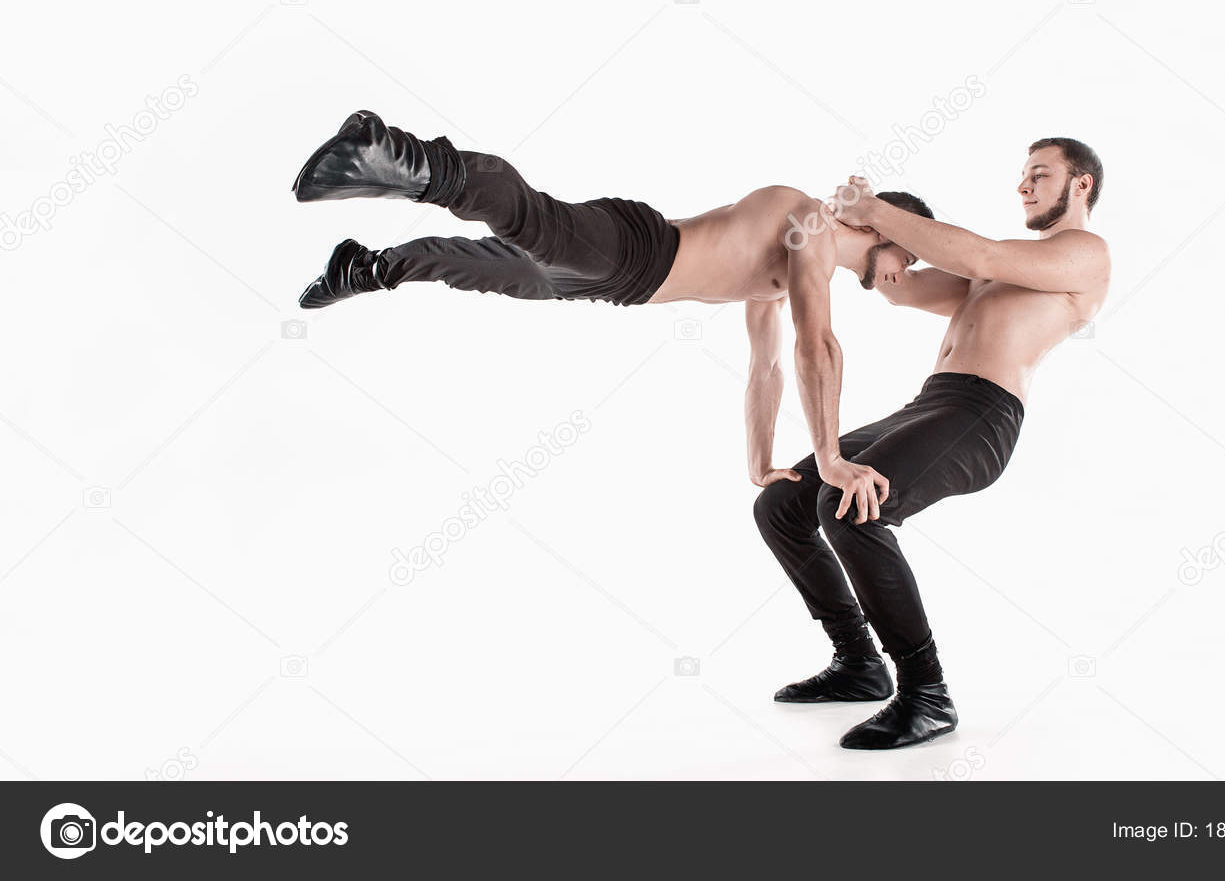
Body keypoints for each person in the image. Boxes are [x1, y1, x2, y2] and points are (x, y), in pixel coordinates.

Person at [290, 110, 934, 502]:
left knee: (485, 269)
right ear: (889, 232)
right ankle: (393, 150)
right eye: (913, 254)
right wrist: (830, 457)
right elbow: (815, 346)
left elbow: (766, 367)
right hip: (638, 248)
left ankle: (370, 266)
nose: (909, 271)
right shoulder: (812, 227)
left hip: (619, 284)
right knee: (529, 219)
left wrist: (760, 460)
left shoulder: (787, 275)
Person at [753, 137, 1110, 749]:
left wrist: (878, 211)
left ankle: (927, 693)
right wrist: (833, 240)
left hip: (982, 416)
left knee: (854, 508)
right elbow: (897, 286)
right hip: (929, 405)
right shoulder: (993, 272)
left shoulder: (1084, 255)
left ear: (1081, 186)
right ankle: (859, 664)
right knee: (782, 504)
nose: (1023, 186)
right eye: (1022, 175)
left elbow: (984, 254)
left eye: (1040, 175)